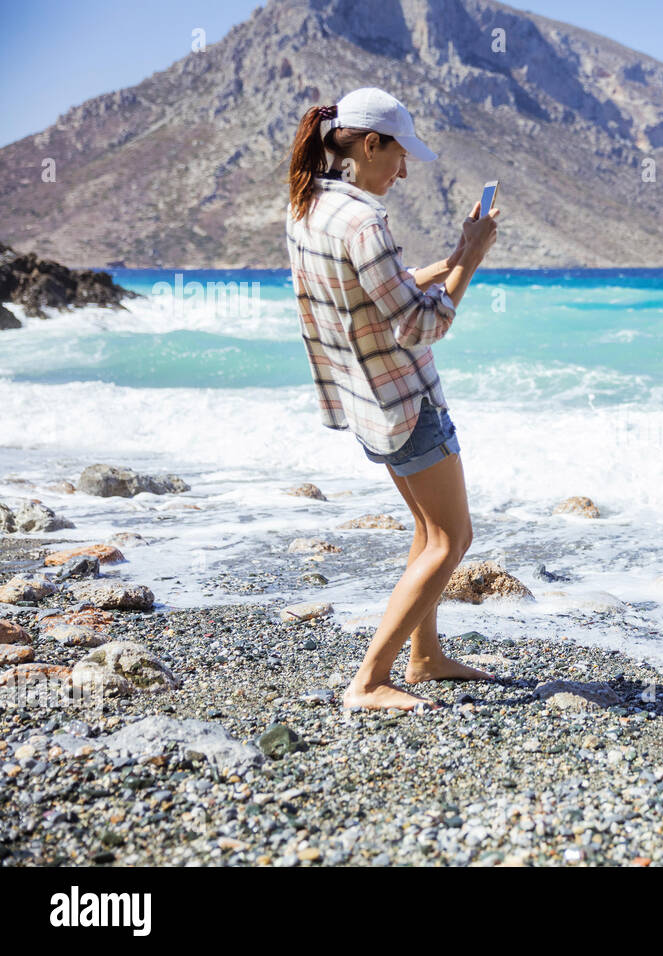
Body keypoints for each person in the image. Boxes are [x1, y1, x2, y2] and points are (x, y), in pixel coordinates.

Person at [284, 87, 502, 711]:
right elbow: (421, 325)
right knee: (452, 540)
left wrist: (457, 253)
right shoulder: (363, 218)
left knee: (426, 528)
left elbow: (377, 291)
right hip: (407, 401)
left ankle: (425, 655)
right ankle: (371, 678)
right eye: (400, 156)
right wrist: (475, 263)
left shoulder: (309, 205)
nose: (405, 172)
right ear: (370, 144)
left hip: (365, 401)